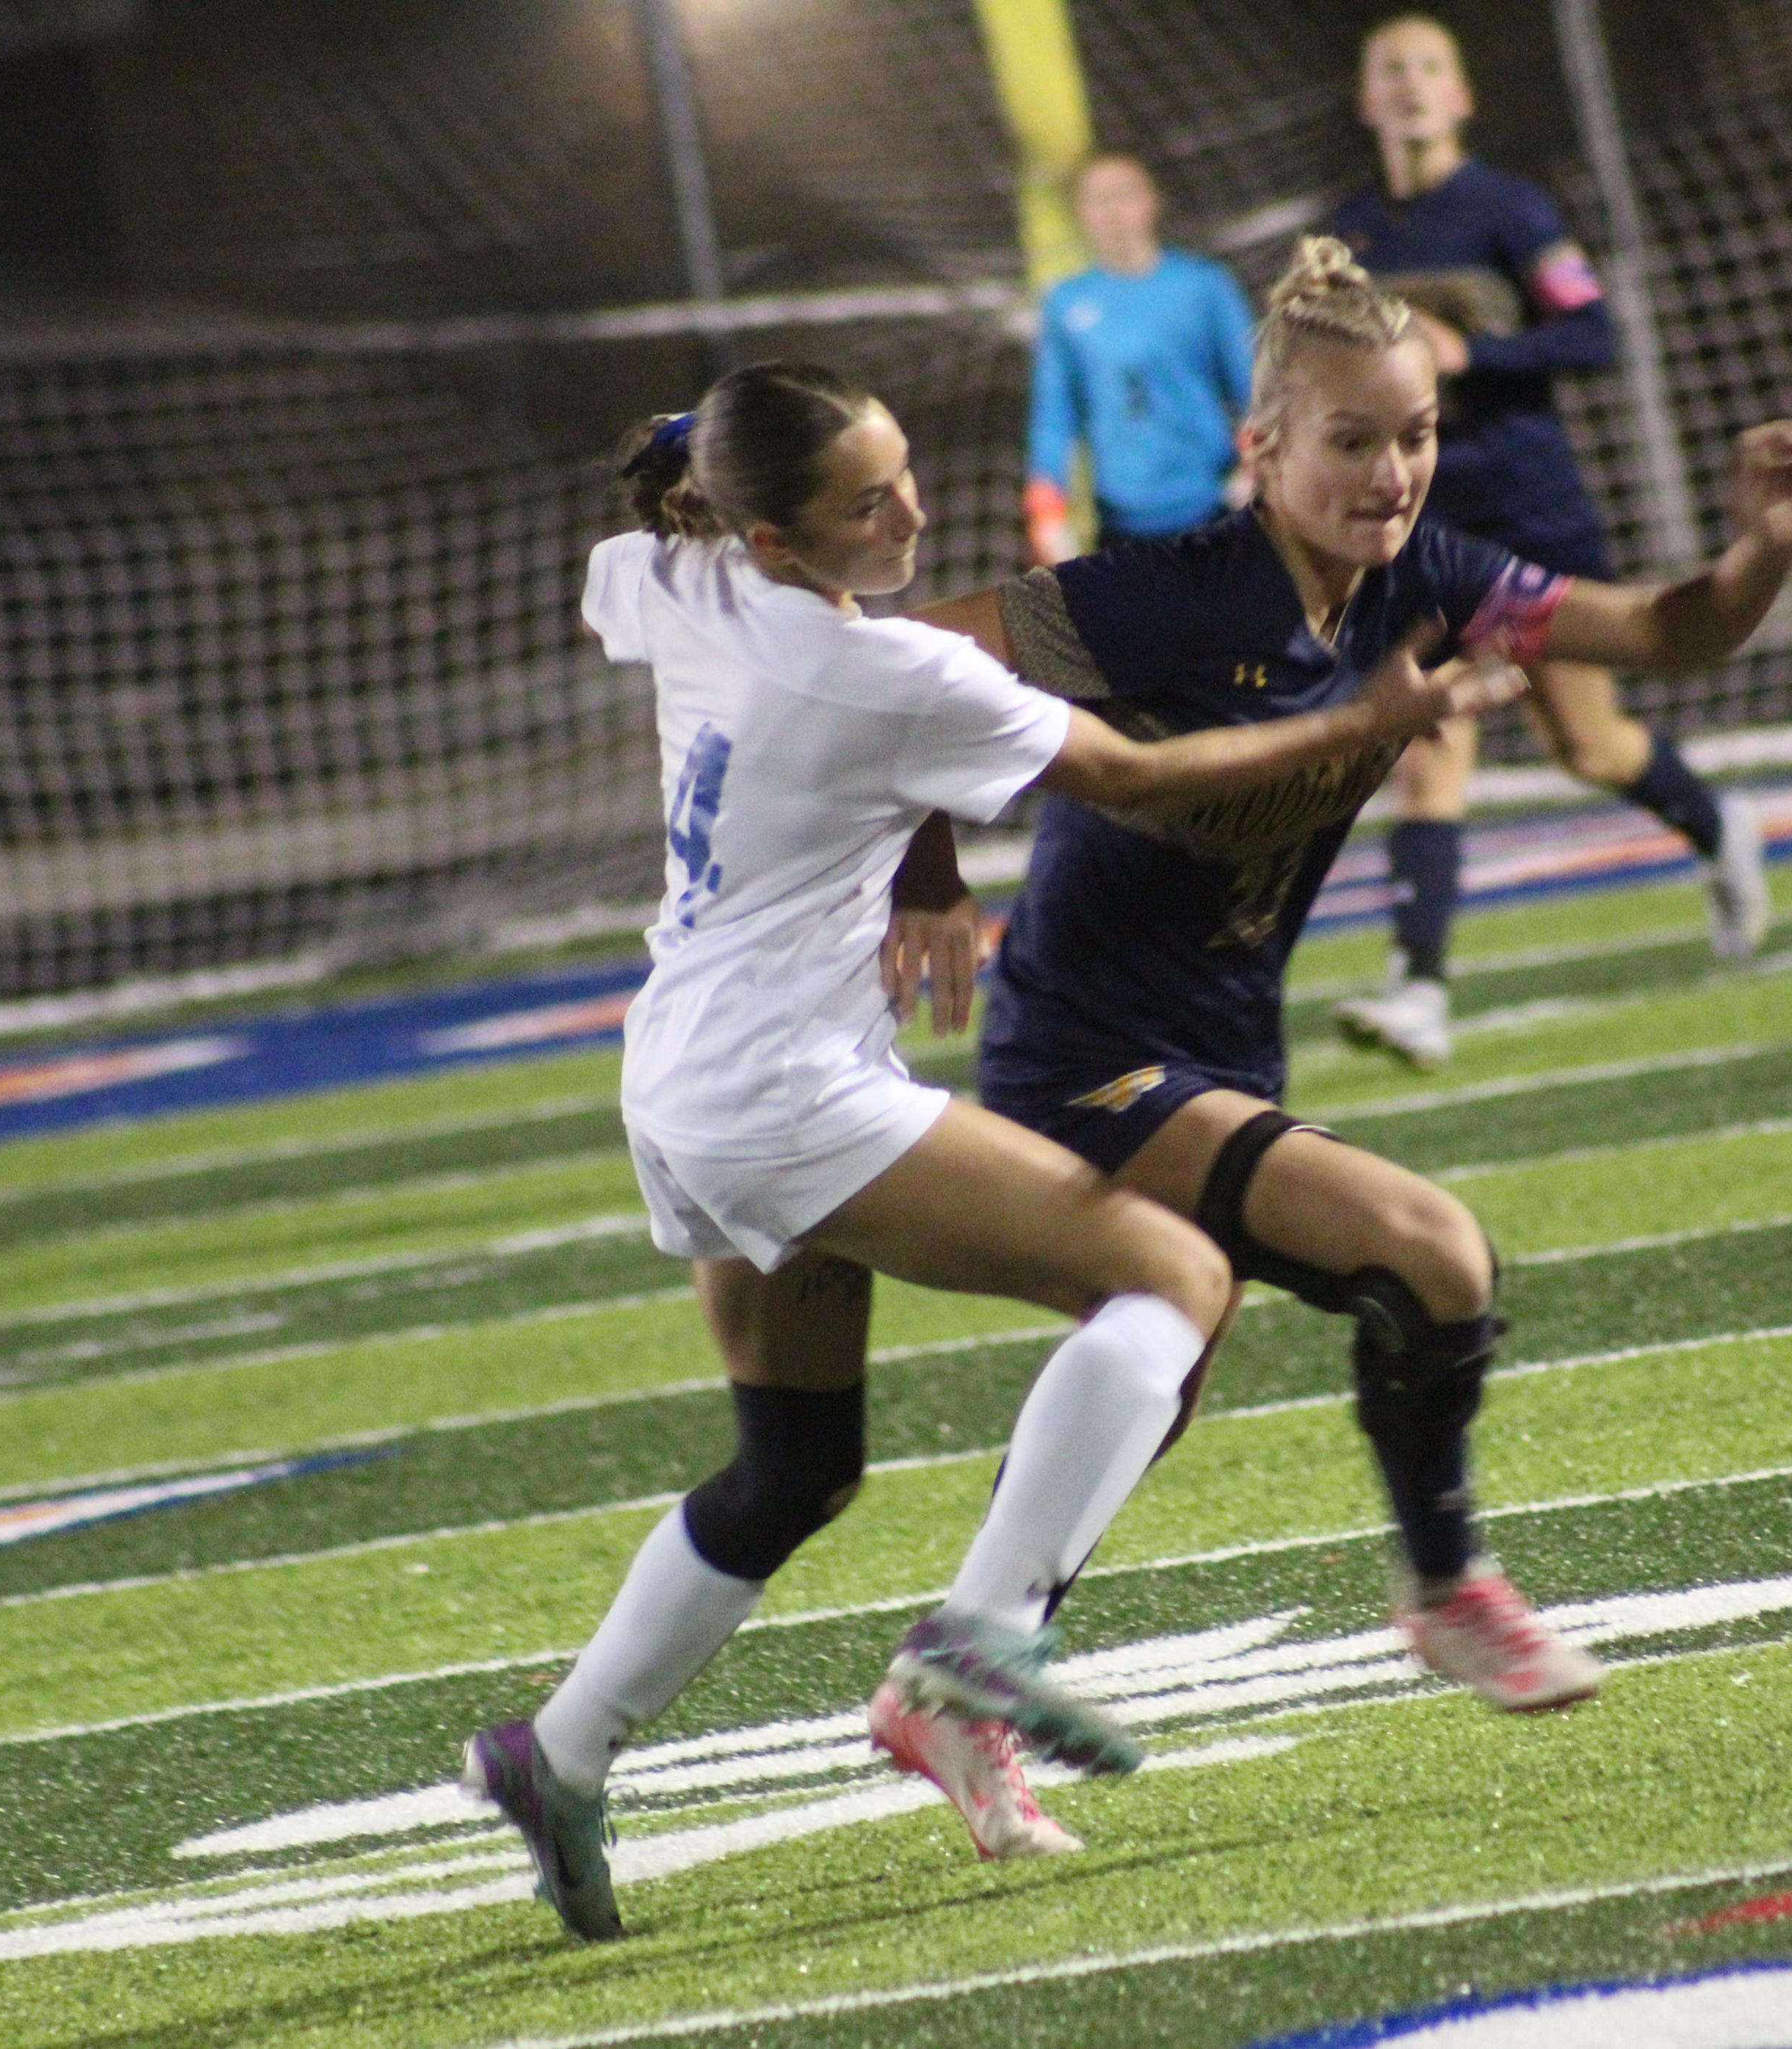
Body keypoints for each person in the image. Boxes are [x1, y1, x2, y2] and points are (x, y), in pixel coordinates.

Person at [461, 360, 1515, 1941]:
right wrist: (1365, 719)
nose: (911, 513)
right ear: (769, 533)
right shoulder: (881, 672)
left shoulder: (672, 575)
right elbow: (1141, 777)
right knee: (1170, 1269)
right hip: (783, 1089)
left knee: (797, 1464)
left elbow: (632, 560)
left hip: (680, 1069)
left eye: (900, 474)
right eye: (866, 502)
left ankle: (561, 1752)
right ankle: (980, 1642)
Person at [915, 242, 1792, 1788]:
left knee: (1153, 1377)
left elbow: (1666, 633)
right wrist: (925, 872)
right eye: (1353, 440)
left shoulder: (1434, 583)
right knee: (1429, 1249)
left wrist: (1764, 548)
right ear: (1262, 449)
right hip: (1079, 1061)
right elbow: (908, 664)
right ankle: (1446, 1586)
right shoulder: (1160, 596)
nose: (1393, 471)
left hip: (1215, 1053)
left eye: (1413, 437)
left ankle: (957, 1680)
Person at [1326, 12, 1771, 1070]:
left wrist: (1468, 352)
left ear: (1461, 95)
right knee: (1426, 759)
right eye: (1391, 70)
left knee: (1590, 747)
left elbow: (1592, 332)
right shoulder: (1349, 235)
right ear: (1364, 102)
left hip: (1529, 519)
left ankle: (1719, 828)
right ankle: (1419, 992)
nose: (1411, 85)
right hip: (1419, 534)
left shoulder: (1509, 209)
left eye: (1430, 67)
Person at [1024, 152, 1258, 566]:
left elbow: (1256, 389)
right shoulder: (1067, 303)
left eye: (1124, 194)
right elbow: (1054, 414)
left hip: (1213, 508)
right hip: (1119, 522)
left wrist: (1255, 469)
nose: (1113, 211)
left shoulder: (1204, 286)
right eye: (1097, 199)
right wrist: (1046, 507)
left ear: (1152, 200)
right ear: (1081, 214)